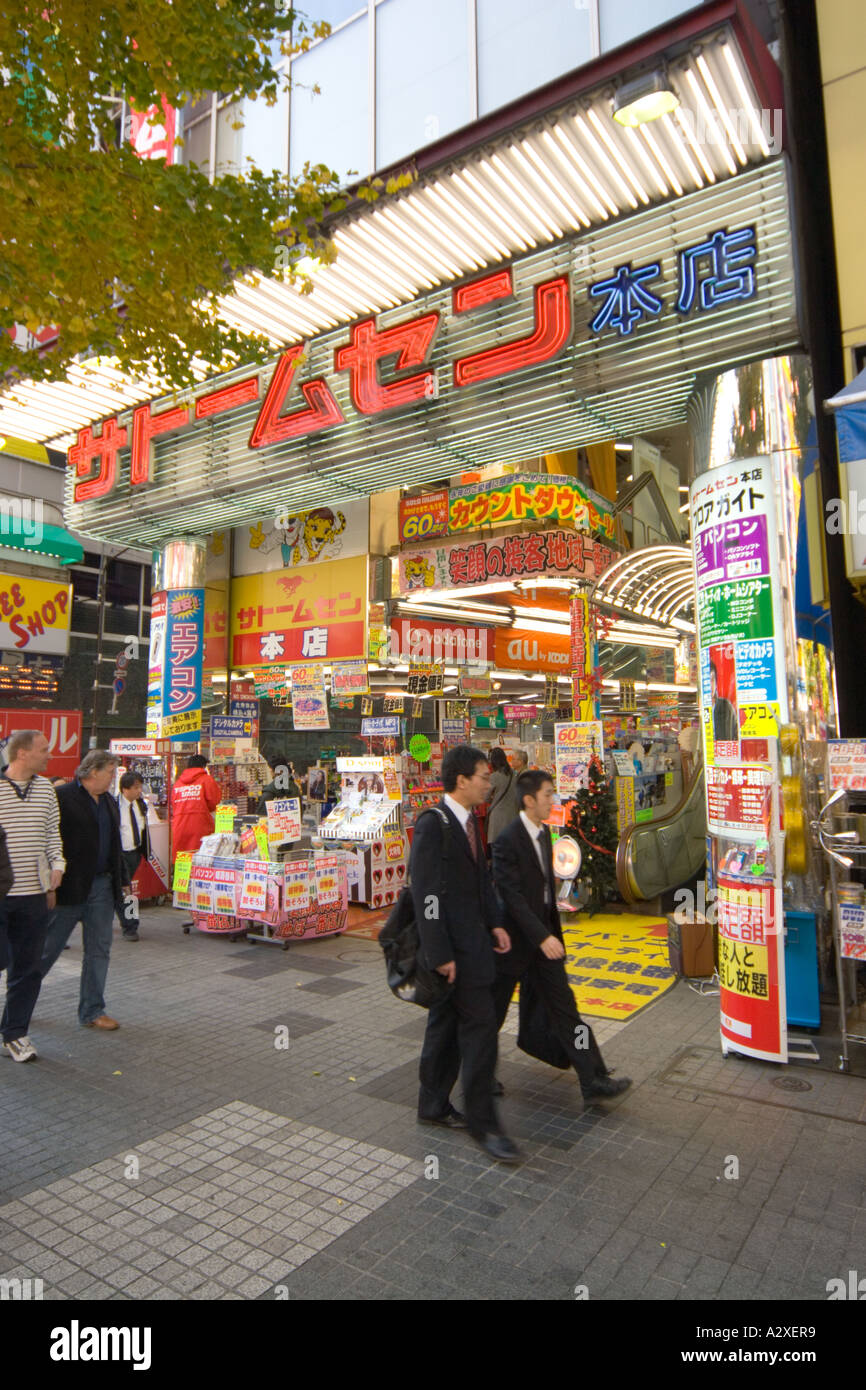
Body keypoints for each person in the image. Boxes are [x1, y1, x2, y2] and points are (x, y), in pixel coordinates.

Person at [491, 769, 632, 1103]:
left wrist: (549, 935)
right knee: (491, 1015)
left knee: (567, 1012)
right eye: (547, 794)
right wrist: (542, 936)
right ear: (529, 800)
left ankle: (593, 1077)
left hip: (544, 945)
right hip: (513, 945)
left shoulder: (543, 834)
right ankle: (476, 1073)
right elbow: (511, 896)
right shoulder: (507, 839)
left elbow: (542, 892)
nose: (552, 800)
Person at [410, 743, 519, 1164]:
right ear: (461, 780)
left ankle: (432, 1104)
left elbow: (480, 882)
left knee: (444, 1025)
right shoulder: (433, 824)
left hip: (474, 944)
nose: (489, 784)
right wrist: (439, 953)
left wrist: (495, 922)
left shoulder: (471, 823)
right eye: (483, 776)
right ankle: (485, 1124)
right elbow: (426, 894)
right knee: (479, 1030)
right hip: (454, 953)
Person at [41, 751, 125, 1031]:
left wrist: (121, 878)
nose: (114, 778)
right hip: (68, 887)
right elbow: (47, 842)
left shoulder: (110, 801)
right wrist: (49, 884)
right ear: (92, 772)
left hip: (102, 885)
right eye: (110, 772)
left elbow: (114, 843)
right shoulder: (62, 796)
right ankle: (19, 1004)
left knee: (99, 949)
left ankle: (92, 1010)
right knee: (46, 950)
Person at [0, 730, 65, 1061]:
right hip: (1, 894)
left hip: (34, 896)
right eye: (43, 750)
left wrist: (57, 867)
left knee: (27, 968)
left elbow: (52, 833)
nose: (49, 755)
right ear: (21, 753)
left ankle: (14, 1033)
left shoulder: (45, 790)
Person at [117, 771, 150, 942]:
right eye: (135, 787)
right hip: (119, 855)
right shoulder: (115, 806)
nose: (139, 791)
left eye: (140, 787)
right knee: (125, 890)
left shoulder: (140, 805)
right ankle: (130, 926)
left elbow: (143, 830)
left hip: (135, 853)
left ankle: (130, 924)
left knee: (130, 890)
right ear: (124, 789)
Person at [170, 754, 220, 863]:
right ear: (203, 766)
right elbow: (214, 801)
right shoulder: (207, 780)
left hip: (179, 827)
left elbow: (174, 805)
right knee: (201, 862)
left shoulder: (178, 784)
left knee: (182, 863)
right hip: (201, 826)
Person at [485, 746, 519, 847]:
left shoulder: (494, 777)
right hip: (512, 817)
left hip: (497, 820)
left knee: (498, 851)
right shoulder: (514, 774)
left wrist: (493, 798)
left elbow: (485, 797)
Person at [710, 661, 738, 743]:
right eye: (706, 680)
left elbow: (736, 735)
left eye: (712, 679)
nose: (710, 685)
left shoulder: (725, 706)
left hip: (725, 753)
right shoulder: (699, 710)